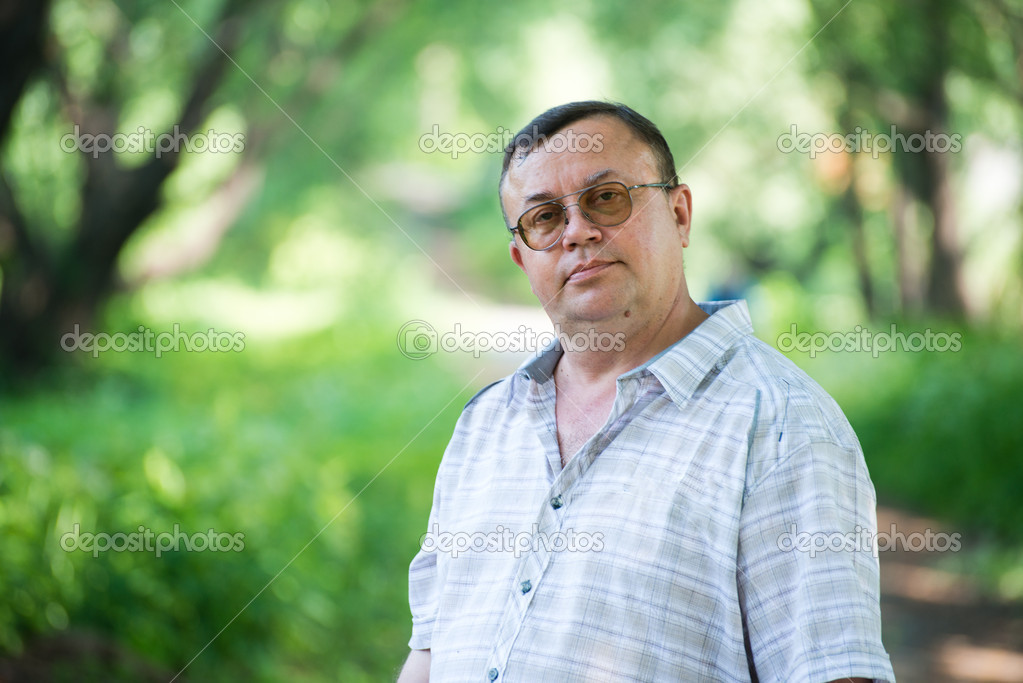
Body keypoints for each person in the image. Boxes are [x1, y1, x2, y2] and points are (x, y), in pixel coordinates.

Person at [397, 101, 895, 682]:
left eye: (606, 197)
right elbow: (429, 657)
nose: (578, 231)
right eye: (544, 219)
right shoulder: (483, 426)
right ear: (521, 257)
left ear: (680, 214)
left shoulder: (783, 424)